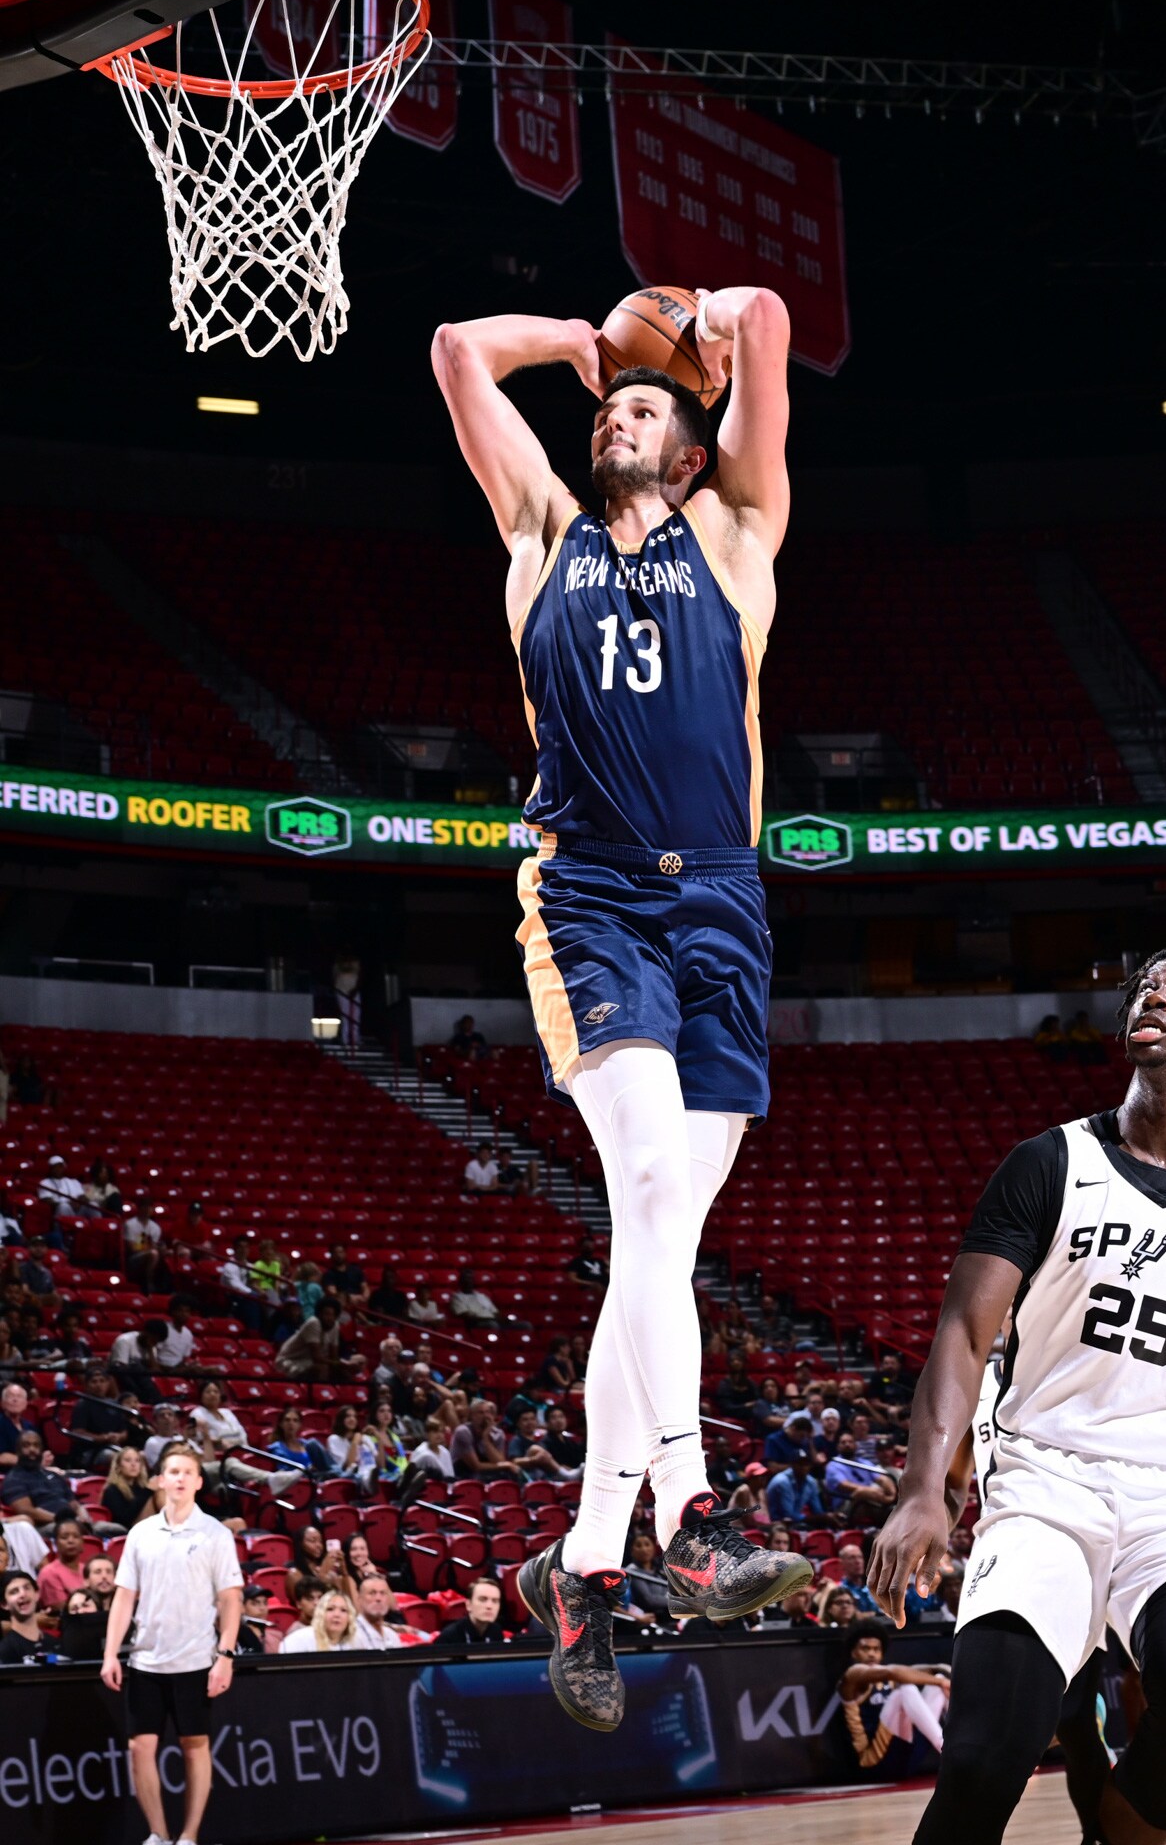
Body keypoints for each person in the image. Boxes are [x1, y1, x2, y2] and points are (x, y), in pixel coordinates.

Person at [435, 280, 805, 1731]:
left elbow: (768, 319)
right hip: (589, 899)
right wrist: (575, 347)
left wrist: (711, 313)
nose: (617, 416)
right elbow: (460, 352)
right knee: (648, 1184)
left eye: (645, 404)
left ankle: (582, 1567)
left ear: (695, 445)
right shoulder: (543, 535)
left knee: (659, 1239)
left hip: (723, 904)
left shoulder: (737, 535)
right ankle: (692, 1511)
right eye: (609, 410)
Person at [868, 949, 1166, 1845]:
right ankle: (1062, 1708)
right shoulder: (1048, 1162)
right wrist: (922, 1489)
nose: (1155, 998)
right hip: (1047, 1485)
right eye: (1145, 988)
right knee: (982, 1763)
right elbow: (964, 1335)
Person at [101, 1440, 242, 1845]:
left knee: (194, 1747)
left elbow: (230, 1598)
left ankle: (189, 1836)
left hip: (196, 1660)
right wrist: (111, 1653)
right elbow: (124, 1596)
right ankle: (158, 1834)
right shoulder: (141, 1534)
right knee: (140, 1748)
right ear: (160, 1480)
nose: (178, 1478)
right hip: (145, 1660)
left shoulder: (215, 1534)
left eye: (187, 1473)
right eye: (172, 1472)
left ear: (198, 1482)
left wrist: (225, 1656)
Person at [839, 1622, 950, 1781]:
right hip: (874, 1764)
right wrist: (941, 1680)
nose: (871, 1654)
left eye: (876, 1649)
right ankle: (947, 1749)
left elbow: (920, 1670)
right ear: (853, 1652)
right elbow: (895, 1672)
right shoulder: (853, 1675)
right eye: (865, 1649)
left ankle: (962, 1743)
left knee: (938, 1680)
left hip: (906, 1758)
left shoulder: (889, 1677)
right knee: (906, 1689)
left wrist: (942, 1671)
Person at [2, 1427, 89, 1531]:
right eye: (26, 1445)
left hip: (71, 1523)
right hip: (45, 1526)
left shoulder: (54, 1475)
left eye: (36, 1445)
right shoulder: (13, 1479)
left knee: (109, 1528)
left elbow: (74, 1504)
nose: (32, 1449)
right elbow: (26, 1510)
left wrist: (84, 1518)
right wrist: (61, 1520)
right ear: (18, 1451)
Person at [275, 1297, 366, 1384]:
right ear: (319, 1314)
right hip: (290, 1361)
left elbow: (334, 1356)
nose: (329, 1318)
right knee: (322, 1368)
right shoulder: (313, 1323)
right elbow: (317, 1358)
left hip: (309, 1361)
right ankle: (321, 1396)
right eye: (326, 1314)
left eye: (332, 1315)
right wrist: (342, 1364)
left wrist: (347, 1365)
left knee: (345, 1371)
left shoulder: (335, 1325)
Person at [0, 1570, 58, 1662]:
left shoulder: (56, 1644)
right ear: (4, 1604)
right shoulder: (4, 1650)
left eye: (27, 1588)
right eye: (14, 1592)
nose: (23, 1594)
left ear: (37, 1594)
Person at [36, 1512, 89, 1611]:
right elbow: (61, 1609)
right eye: (64, 1537)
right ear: (56, 1544)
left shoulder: (87, 1569)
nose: (70, 1541)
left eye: (76, 1537)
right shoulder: (49, 1573)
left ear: (82, 1543)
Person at [435, 1575, 506, 1647]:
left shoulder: (496, 1631)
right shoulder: (449, 1636)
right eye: (483, 1599)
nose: (489, 1606)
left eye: (495, 1601)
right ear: (468, 1605)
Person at [122, 1194, 164, 1291]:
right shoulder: (130, 1224)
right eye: (145, 1206)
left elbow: (153, 1246)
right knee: (153, 1253)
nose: (147, 1209)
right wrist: (150, 1247)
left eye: (150, 1207)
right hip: (132, 1259)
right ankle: (149, 1282)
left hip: (149, 1257)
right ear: (139, 1208)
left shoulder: (155, 1227)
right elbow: (132, 1248)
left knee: (162, 1253)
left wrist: (157, 1248)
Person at [352, 1570, 401, 1651]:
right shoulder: (352, 1635)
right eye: (372, 1593)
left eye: (382, 1593)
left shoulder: (392, 1635)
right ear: (359, 1600)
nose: (378, 1598)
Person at [278, 1577, 327, 1651]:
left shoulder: (331, 1628)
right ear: (298, 1604)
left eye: (320, 1598)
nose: (316, 1603)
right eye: (310, 1598)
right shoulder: (294, 1633)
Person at [39, 1154, 84, 1221]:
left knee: (93, 1205)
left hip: (78, 1210)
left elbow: (82, 1196)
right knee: (64, 1206)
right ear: (51, 1169)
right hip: (59, 1211)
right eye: (55, 1167)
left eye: (60, 1166)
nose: (58, 1169)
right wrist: (68, 1203)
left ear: (63, 1167)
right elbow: (48, 1201)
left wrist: (79, 1203)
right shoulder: (45, 1183)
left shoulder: (74, 1181)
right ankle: (68, 1230)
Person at [566, 1232, 609, 1297]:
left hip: (604, 1285)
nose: (589, 1246)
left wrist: (609, 1266)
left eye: (590, 1244)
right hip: (588, 1287)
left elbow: (608, 1273)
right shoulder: (577, 1261)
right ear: (581, 1247)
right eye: (586, 1245)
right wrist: (591, 1283)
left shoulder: (599, 1260)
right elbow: (572, 1278)